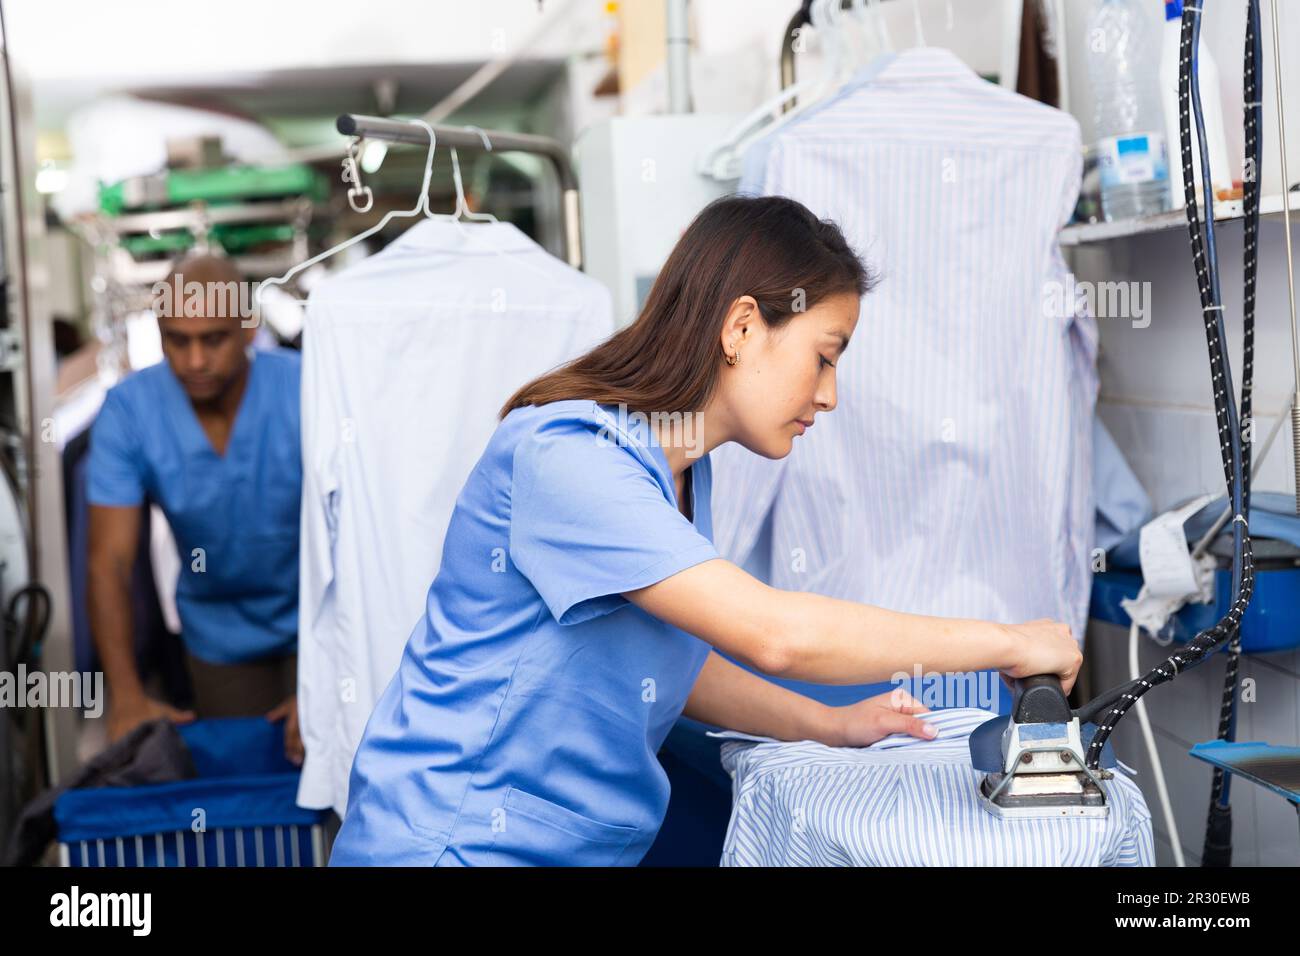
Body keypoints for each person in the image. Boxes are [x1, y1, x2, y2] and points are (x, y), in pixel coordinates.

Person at [329, 196, 1082, 866]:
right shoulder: (567, 456)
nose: (830, 395)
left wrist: (828, 725)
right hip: (454, 841)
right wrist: (1012, 642)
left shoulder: (685, 472)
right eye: (823, 358)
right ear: (743, 327)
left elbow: (663, 657)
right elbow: (775, 635)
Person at [87, 253, 304, 764]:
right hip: (219, 639)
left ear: (249, 329)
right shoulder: (129, 412)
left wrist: (344, 666)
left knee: (339, 792)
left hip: (322, 625)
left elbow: (358, 532)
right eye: (177, 341)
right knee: (248, 798)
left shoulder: (306, 388)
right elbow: (108, 561)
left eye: (214, 339)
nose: (195, 361)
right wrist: (126, 695)